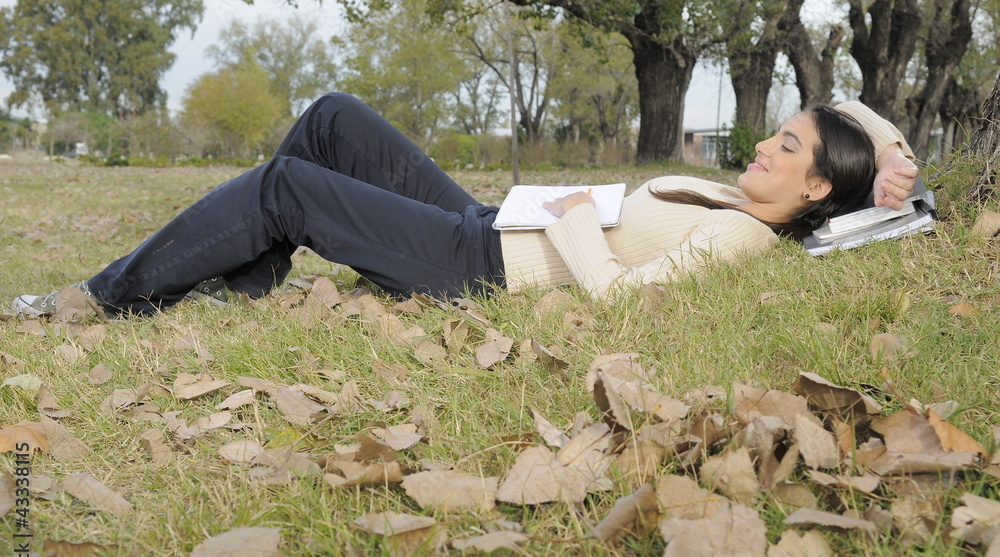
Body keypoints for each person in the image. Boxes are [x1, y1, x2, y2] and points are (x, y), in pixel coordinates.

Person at [11, 92, 918, 316]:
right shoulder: (743, 197)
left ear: (817, 189)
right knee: (335, 118)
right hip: (494, 219)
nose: (766, 142)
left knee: (285, 185)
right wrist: (893, 150)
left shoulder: (745, 241)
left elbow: (618, 301)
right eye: (780, 131)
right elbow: (857, 117)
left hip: (474, 264)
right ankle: (245, 277)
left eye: (788, 147)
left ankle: (102, 300)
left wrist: (570, 215)